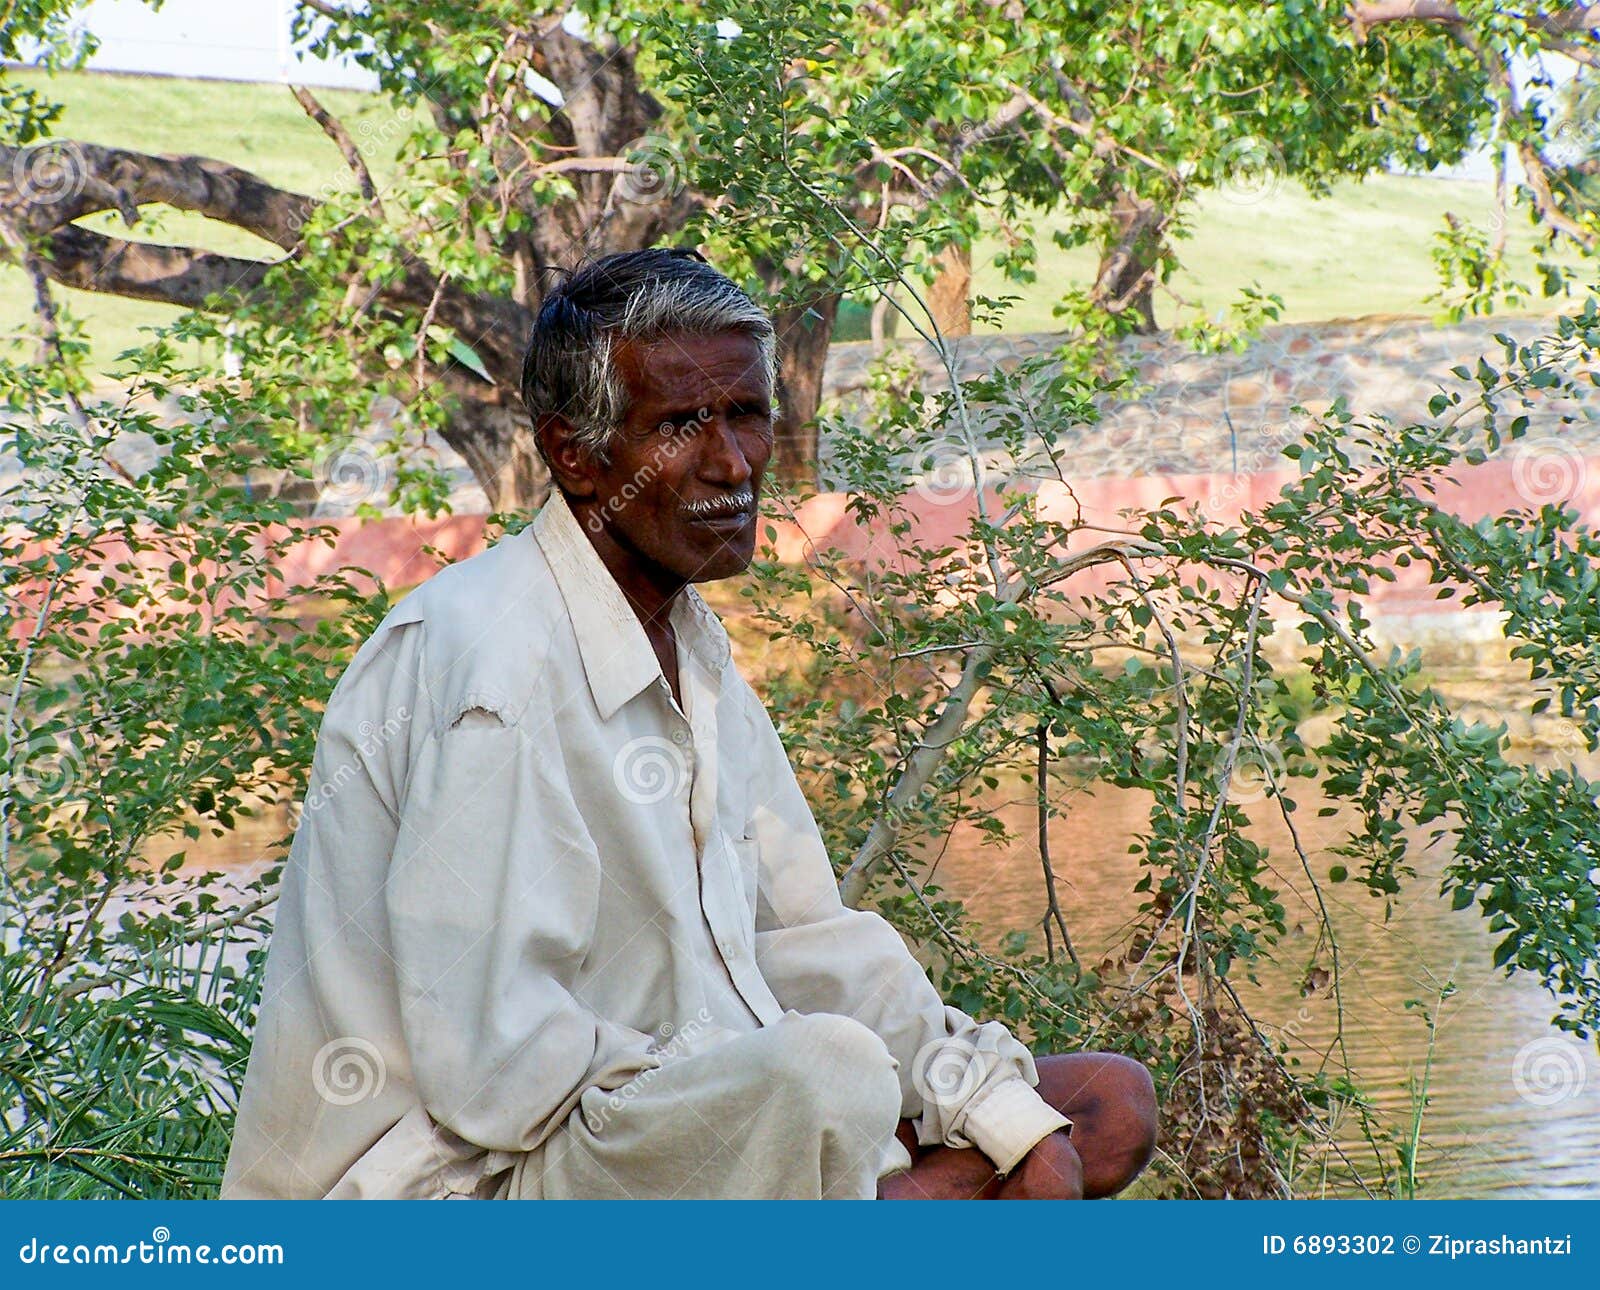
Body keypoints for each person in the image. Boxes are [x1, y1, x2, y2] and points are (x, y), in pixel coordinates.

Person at [221, 248, 1157, 1201]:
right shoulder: (492, 663)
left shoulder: (685, 638)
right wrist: (786, 1110)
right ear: (577, 457)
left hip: (637, 1131)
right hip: (461, 1180)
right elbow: (495, 1072)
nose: (733, 463)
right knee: (826, 1074)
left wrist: (990, 1112)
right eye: (680, 427)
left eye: (747, 414)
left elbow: (803, 939)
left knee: (1101, 1107)